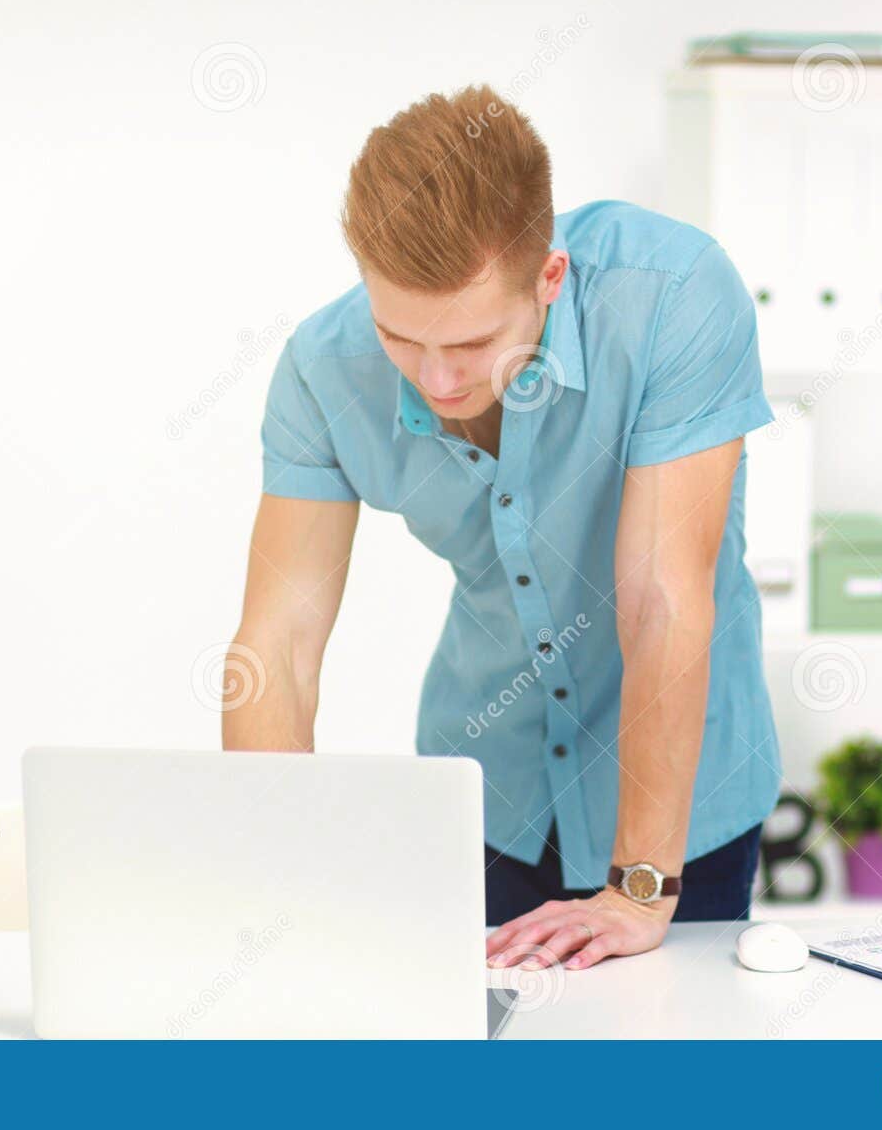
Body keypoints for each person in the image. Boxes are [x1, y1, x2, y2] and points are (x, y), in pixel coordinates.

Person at [222, 84, 780, 971]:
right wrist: (273, 880)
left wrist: (639, 888)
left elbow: (660, 599)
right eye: (401, 337)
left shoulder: (674, 296)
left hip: (679, 814)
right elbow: (278, 644)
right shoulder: (320, 369)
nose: (437, 380)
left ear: (549, 277)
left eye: (473, 344)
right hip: (488, 797)